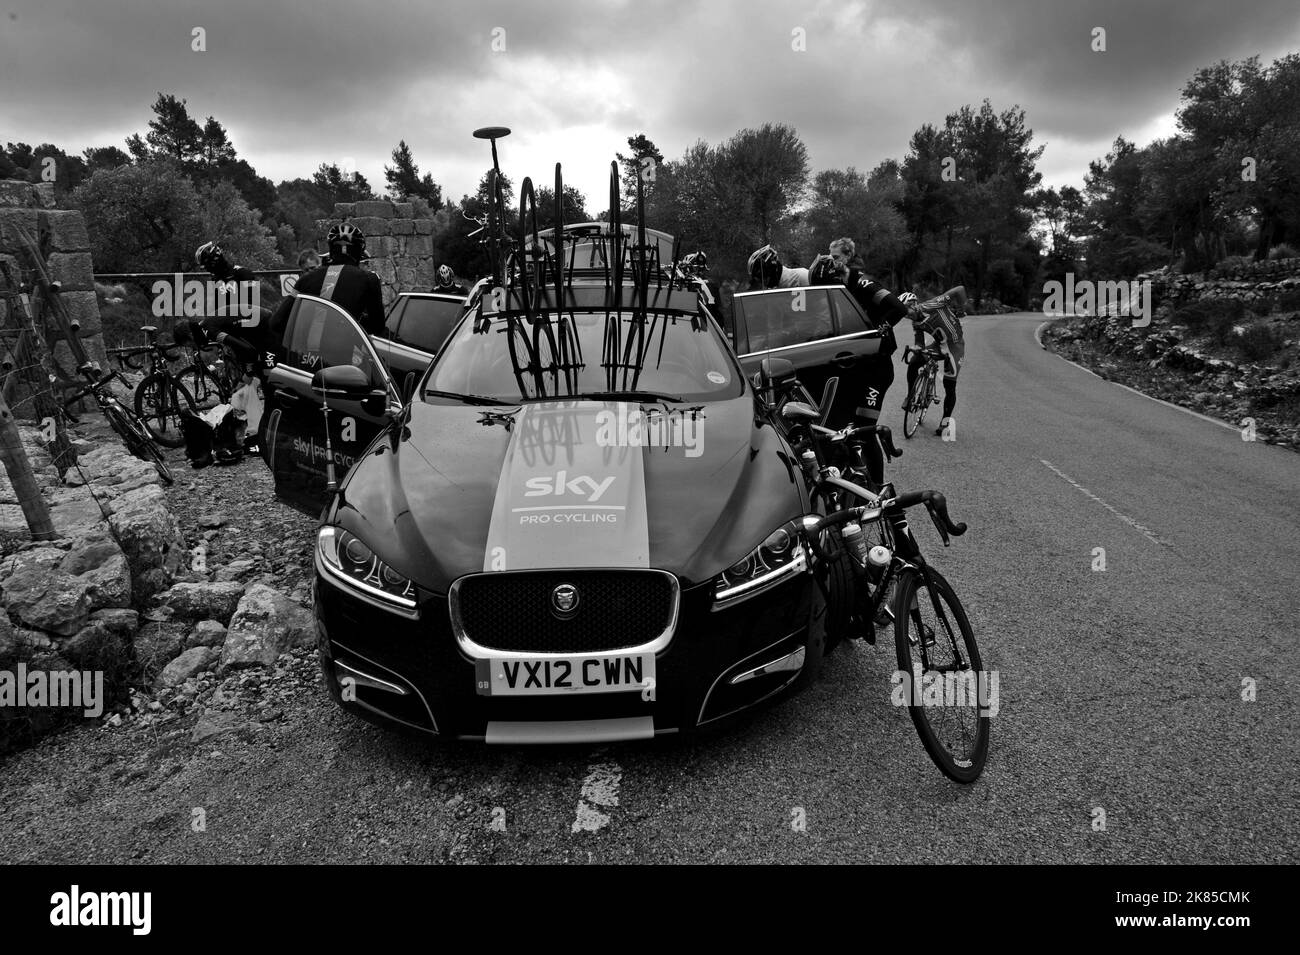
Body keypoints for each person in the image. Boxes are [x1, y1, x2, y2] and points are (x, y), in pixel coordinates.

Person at [812, 237, 911, 488]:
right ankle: (851, 476)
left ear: (847, 257)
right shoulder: (836, 286)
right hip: (857, 364)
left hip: (877, 367)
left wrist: (877, 330)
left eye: (836, 257)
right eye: (829, 256)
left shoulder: (863, 282)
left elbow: (898, 308)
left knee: (865, 430)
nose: (832, 261)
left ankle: (879, 488)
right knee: (845, 424)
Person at [267, 223, 386, 343]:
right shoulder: (369, 279)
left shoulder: (306, 279)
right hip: (345, 352)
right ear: (359, 251)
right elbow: (377, 327)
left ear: (331, 249)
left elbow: (277, 322)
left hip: (304, 354)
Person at [903, 289, 965, 435]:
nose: (906, 315)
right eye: (903, 313)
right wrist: (916, 348)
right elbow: (919, 343)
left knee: (949, 385)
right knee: (914, 362)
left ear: (913, 305)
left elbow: (960, 289)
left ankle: (945, 422)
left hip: (955, 346)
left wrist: (961, 309)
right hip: (938, 345)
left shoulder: (933, 304)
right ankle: (910, 396)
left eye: (906, 310)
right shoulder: (915, 322)